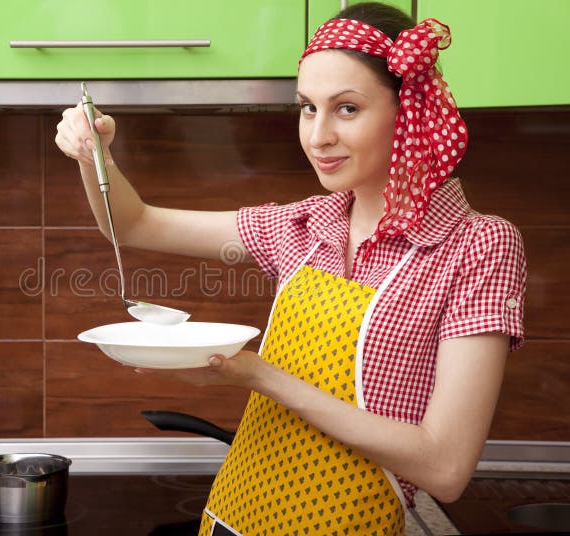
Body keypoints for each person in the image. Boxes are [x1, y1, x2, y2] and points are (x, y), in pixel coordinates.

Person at [55, 2, 527, 534]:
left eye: (347, 108)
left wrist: (256, 375)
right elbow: (135, 223)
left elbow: (444, 467)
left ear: (409, 111)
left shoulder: (476, 245)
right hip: (235, 518)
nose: (318, 135)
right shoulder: (304, 224)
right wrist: (96, 158)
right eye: (307, 107)